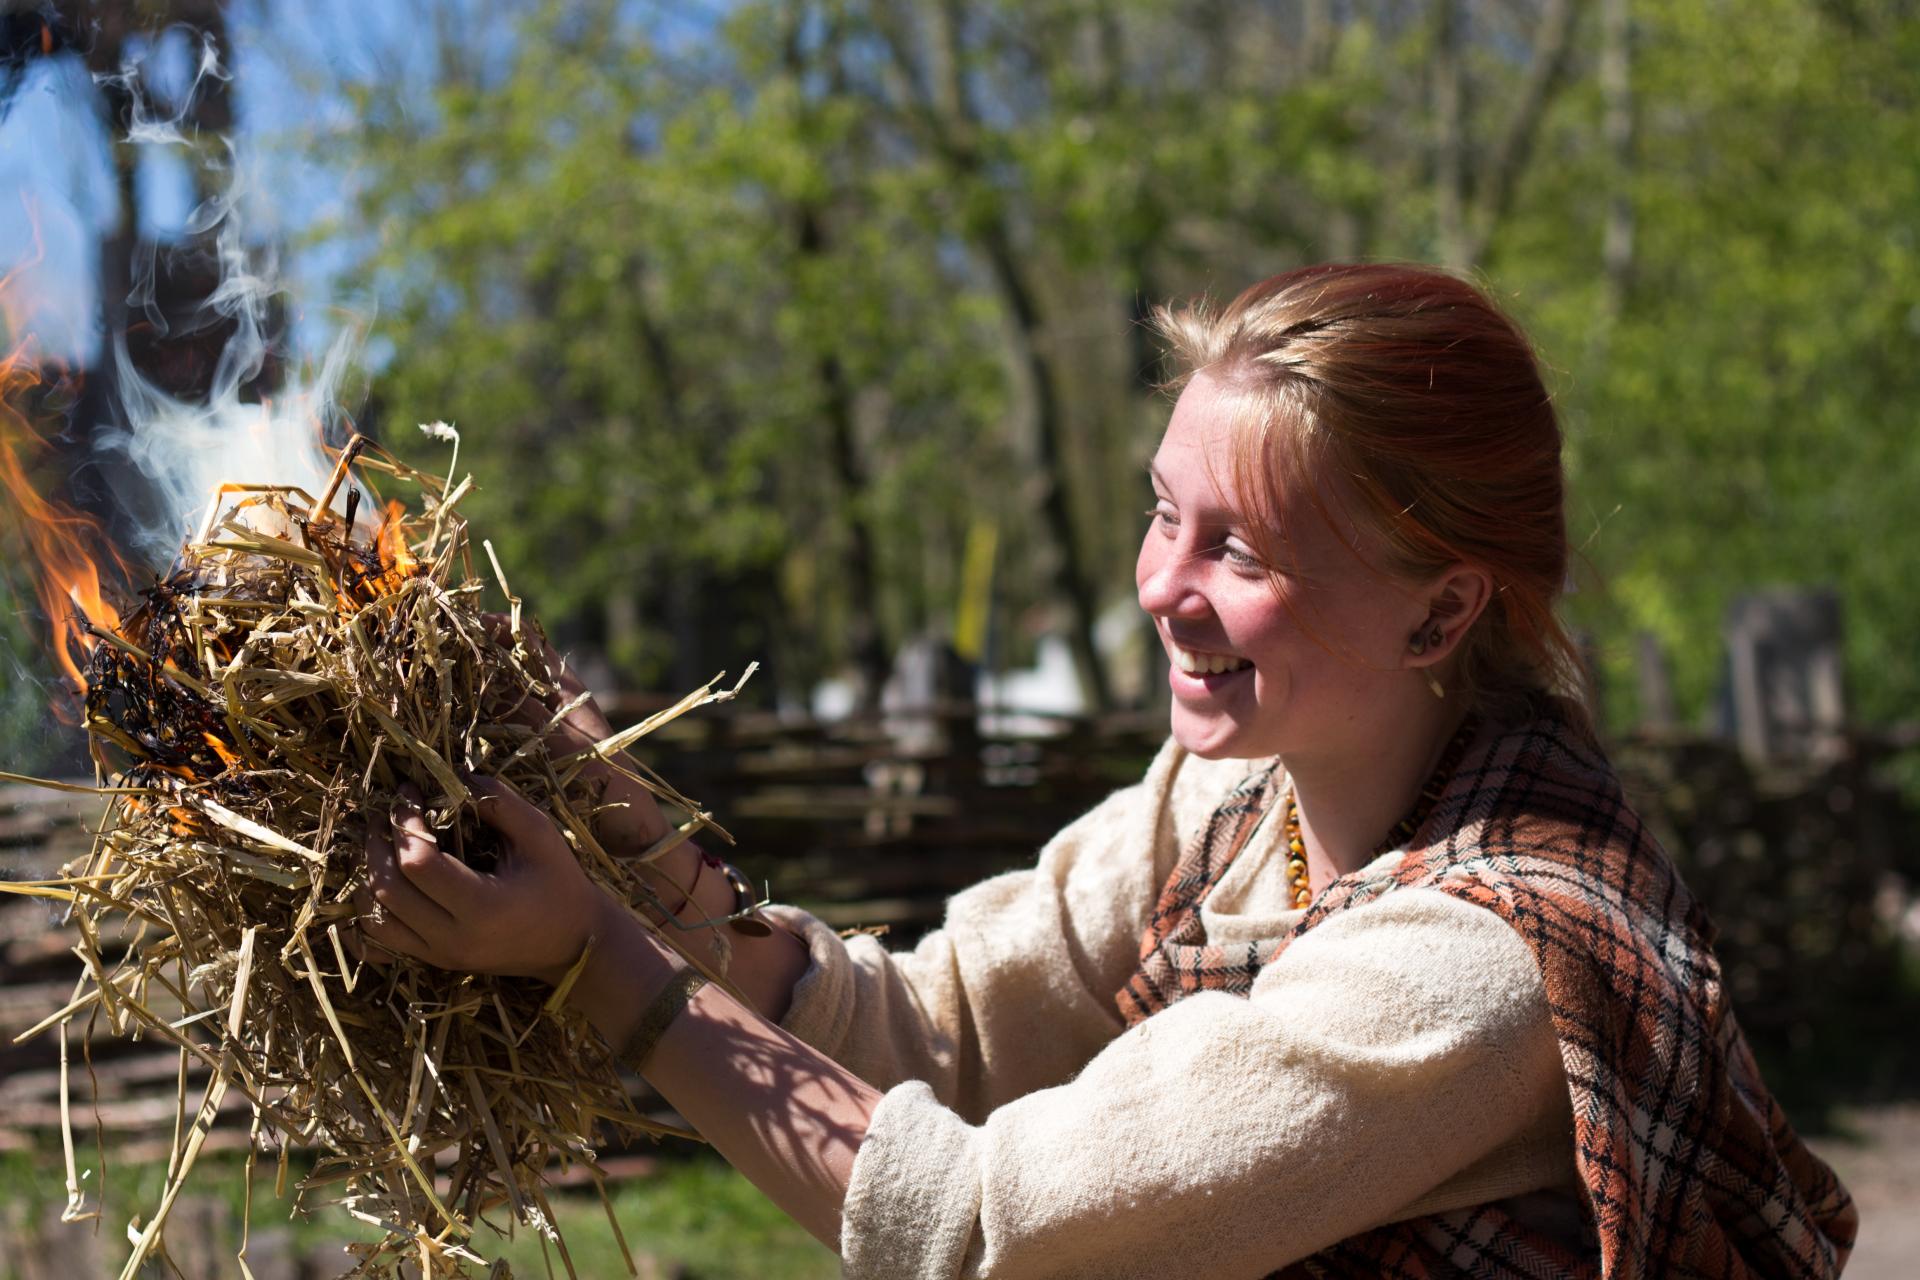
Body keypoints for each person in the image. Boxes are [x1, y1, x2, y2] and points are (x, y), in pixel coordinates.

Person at [354, 263, 1857, 1278]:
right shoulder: (1230, 801)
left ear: (1444, 608)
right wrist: (607, 804)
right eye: (1163, 516)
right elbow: (923, 1031)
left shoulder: (1480, 972)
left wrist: (612, 967)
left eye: (1240, 551)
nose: (1160, 587)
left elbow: (987, 1226)